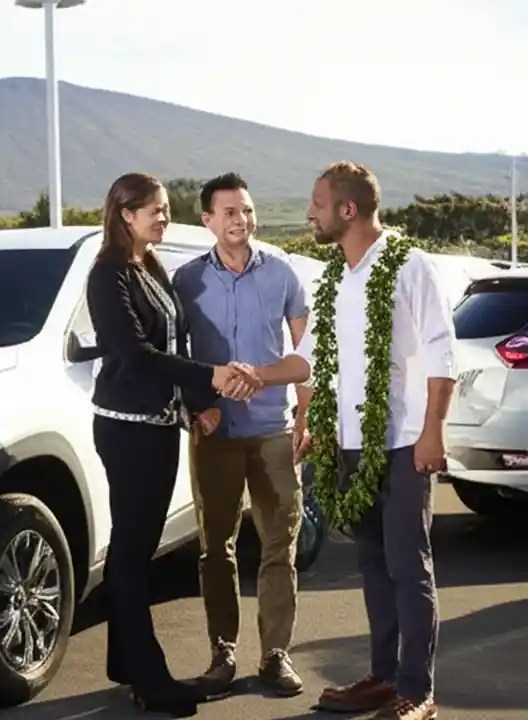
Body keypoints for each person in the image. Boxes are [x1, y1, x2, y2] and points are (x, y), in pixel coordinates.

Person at [254, 162, 455, 720]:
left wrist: (433, 431)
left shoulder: (411, 265)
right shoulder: (336, 280)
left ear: (347, 209)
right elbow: (310, 360)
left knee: (408, 567)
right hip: (349, 445)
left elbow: (442, 355)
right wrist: (259, 377)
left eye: (317, 203)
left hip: (405, 441)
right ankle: (383, 677)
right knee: (371, 565)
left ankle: (417, 691)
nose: (309, 213)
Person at [87, 172, 261, 717]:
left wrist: (195, 403)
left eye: (165, 209)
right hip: (127, 429)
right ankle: (151, 679)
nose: (164, 217)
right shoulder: (108, 275)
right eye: (155, 211)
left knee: (132, 548)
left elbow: (171, 342)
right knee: (135, 554)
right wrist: (212, 376)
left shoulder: (149, 266)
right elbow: (137, 355)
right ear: (125, 214)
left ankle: (125, 663)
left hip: (159, 424)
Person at [171, 172, 310, 699]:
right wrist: (196, 406)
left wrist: (306, 416)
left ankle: (276, 655)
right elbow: (174, 358)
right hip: (215, 432)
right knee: (215, 549)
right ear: (207, 220)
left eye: (246, 210)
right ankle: (221, 653)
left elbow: (306, 355)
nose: (240, 220)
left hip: (273, 431)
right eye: (228, 212)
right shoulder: (185, 281)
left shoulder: (282, 274)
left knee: (280, 546)